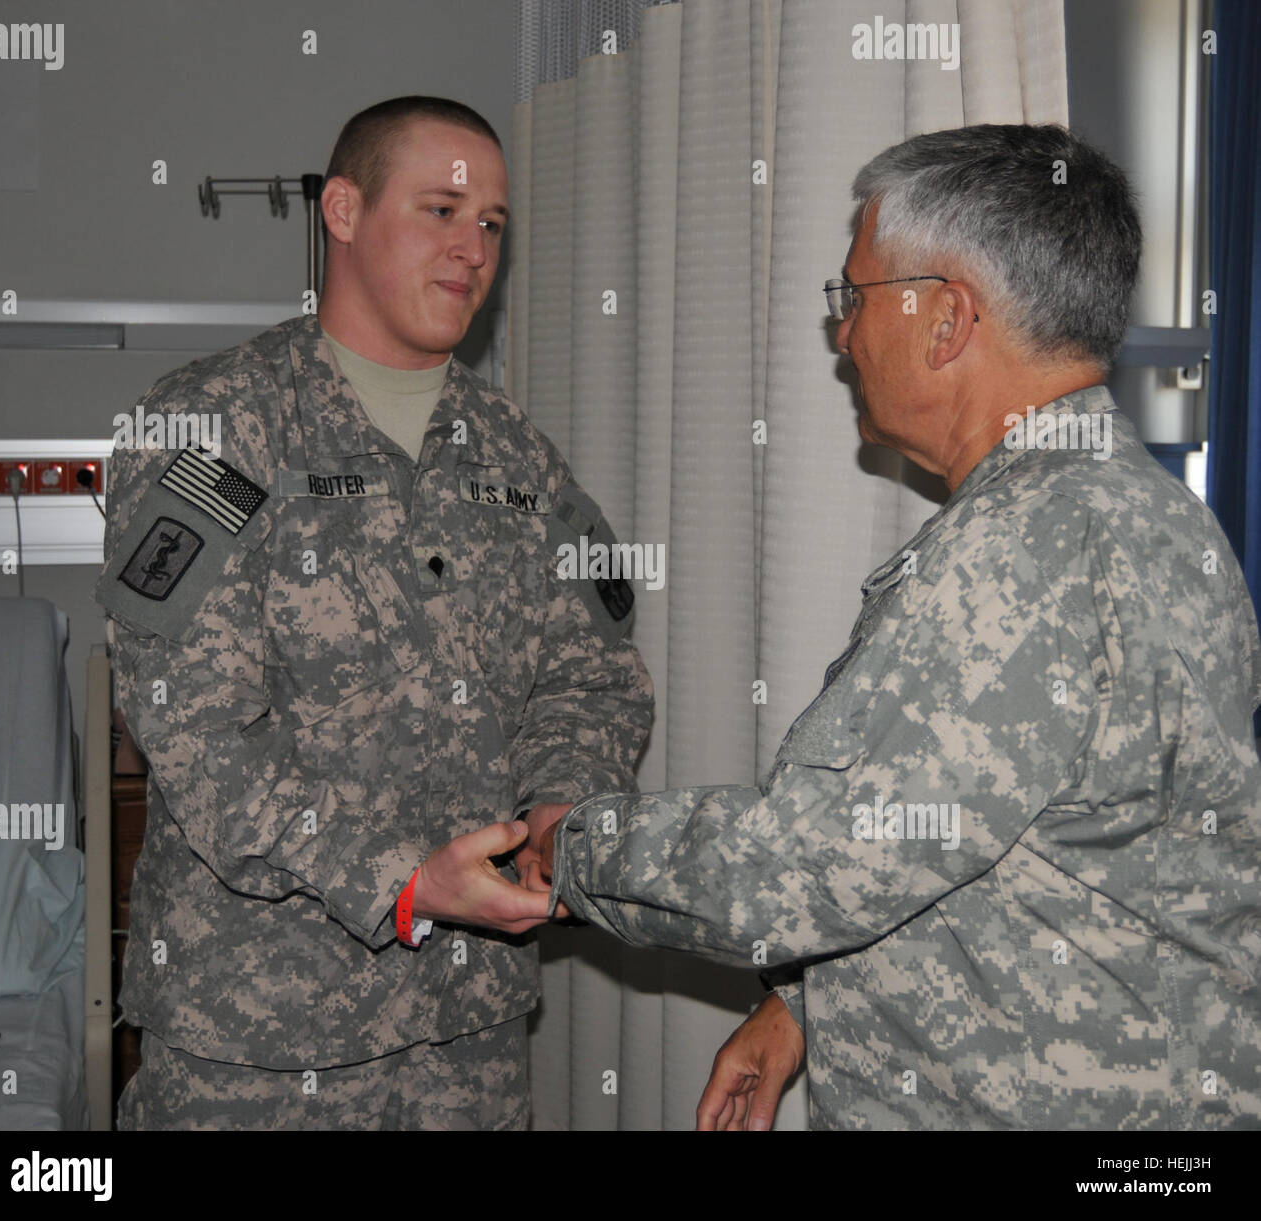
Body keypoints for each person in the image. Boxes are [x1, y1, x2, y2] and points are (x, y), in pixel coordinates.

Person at [526, 124, 1261, 1130]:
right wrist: (801, 1005)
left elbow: (807, 862)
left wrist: (569, 846)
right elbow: (1022, 841)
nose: (843, 335)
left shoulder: (1022, 548)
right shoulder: (1144, 511)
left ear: (946, 318)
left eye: (855, 296)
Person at [95, 96, 653, 1130]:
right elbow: (194, 725)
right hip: (258, 1045)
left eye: (491, 223)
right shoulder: (217, 428)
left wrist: (559, 809)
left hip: (469, 1036)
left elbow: (591, 678)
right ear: (343, 211)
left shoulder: (517, 455)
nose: (472, 249)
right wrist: (404, 877)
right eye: (441, 210)